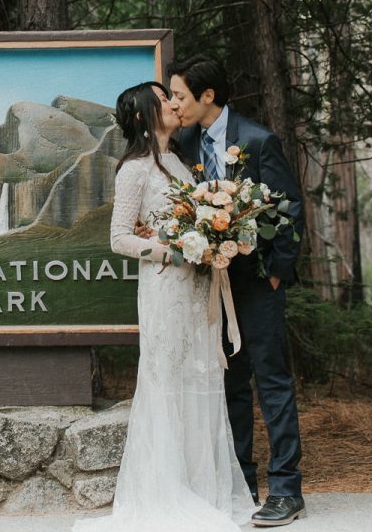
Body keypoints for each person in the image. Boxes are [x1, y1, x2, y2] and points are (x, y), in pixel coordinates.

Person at [74, 81, 254, 532]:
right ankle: (165, 492)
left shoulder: (175, 158)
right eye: (163, 98)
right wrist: (172, 252)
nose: (174, 103)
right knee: (168, 379)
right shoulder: (135, 169)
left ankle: (200, 488)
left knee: (198, 377)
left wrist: (213, 239)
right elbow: (119, 238)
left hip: (196, 290)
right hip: (165, 289)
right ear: (143, 114)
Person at [169, 54, 306, 528]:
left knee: (270, 380)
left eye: (180, 96)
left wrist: (276, 273)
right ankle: (240, 480)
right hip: (208, 287)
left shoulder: (257, 140)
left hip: (255, 284)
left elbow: (288, 209)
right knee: (228, 383)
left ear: (207, 96)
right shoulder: (181, 144)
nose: (174, 104)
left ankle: (286, 488)